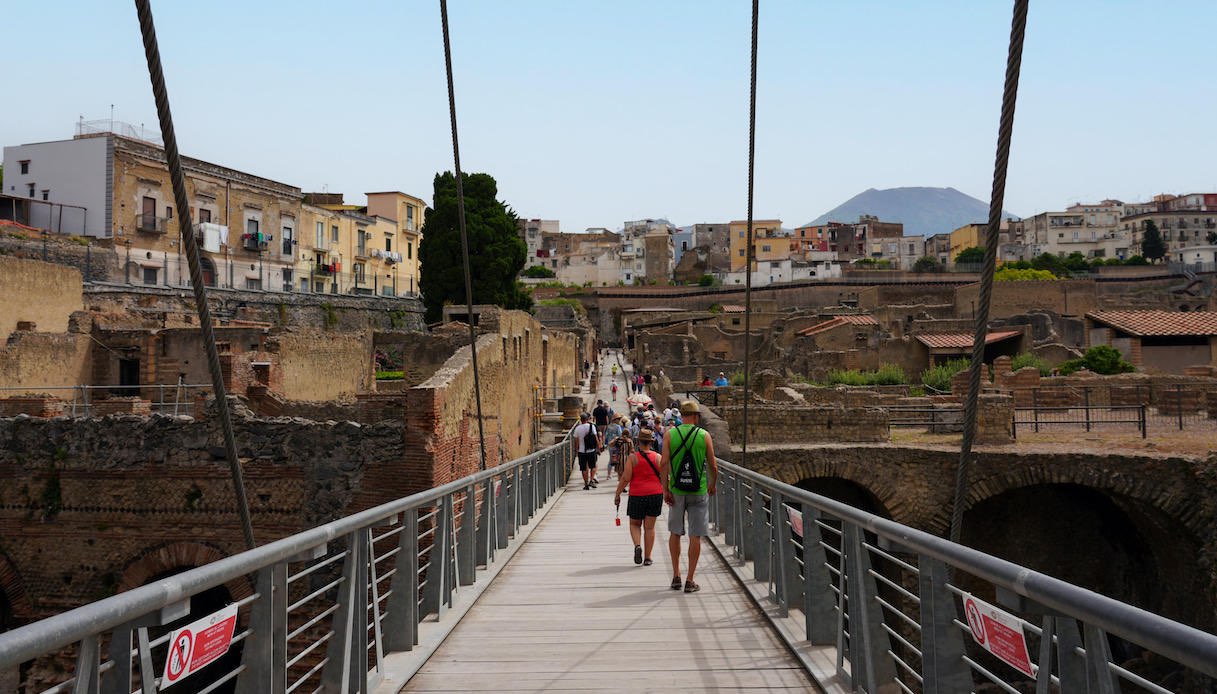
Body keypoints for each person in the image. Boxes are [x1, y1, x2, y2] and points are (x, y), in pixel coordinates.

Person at [660, 400, 718, 593]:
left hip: (677, 489)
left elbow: (664, 464)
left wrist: (665, 489)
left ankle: (676, 575)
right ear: (696, 416)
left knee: (675, 532)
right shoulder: (704, 435)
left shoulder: (670, 435)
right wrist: (712, 484)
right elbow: (713, 465)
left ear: (681, 416)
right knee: (695, 535)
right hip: (698, 489)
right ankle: (690, 579)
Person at [614, 427, 663, 566]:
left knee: (635, 524)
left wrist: (617, 494)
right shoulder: (658, 457)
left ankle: (637, 546)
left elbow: (625, 478)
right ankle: (648, 557)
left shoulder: (633, 458)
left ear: (638, 442)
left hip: (637, 495)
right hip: (655, 494)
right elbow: (665, 477)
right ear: (651, 442)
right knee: (650, 527)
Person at [572, 412, 600, 490]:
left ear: (581, 420)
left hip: (582, 451)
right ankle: (591, 480)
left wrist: (576, 450)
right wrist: (598, 447)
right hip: (591, 450)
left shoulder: (577, 428)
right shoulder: (591, 426)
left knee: (584, 468)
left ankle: (586, 483)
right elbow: (595, 437)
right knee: (593, 466)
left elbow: (576, 441)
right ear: (587, 419)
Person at [605, 415, 626, 479]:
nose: (619, 420)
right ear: (615, 420)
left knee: (611, 459)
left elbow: (606, 436)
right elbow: (620, 435)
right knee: (618, 459)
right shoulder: (617, 427)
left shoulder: (608, 426)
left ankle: (609, 474)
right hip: (616, 445)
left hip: (610, 444)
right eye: (618, 419)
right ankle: (619, 474)